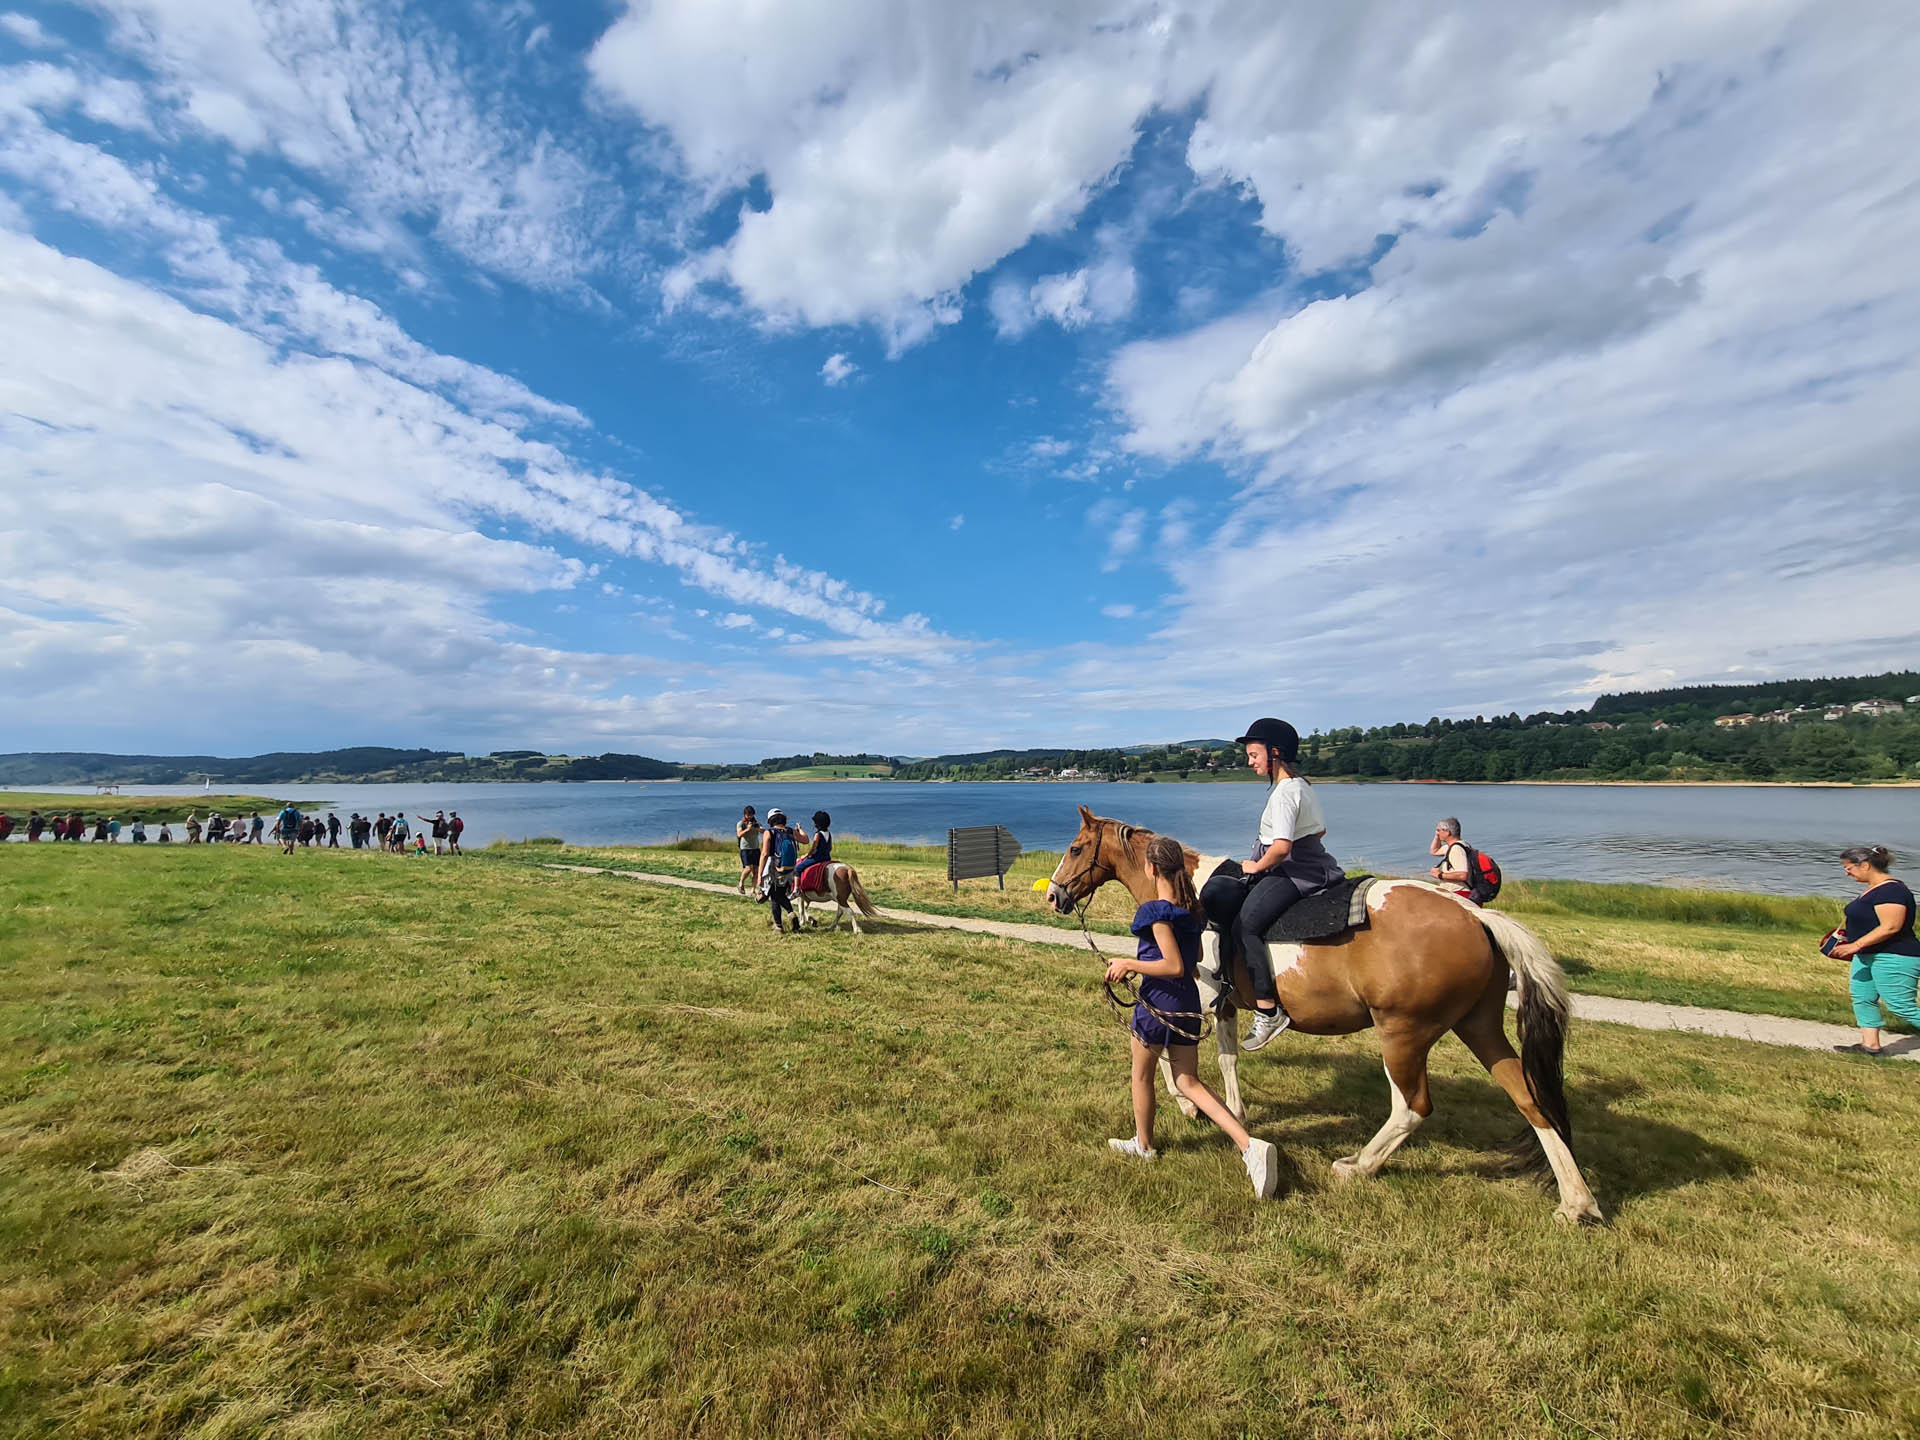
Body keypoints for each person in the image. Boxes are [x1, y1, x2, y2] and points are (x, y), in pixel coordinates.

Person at [1105, 835, 1280, 1198]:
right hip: (1187, 1003)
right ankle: (1249, 1145)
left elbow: (1173, 965)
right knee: (1189, 1081)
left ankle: (1144, 1145)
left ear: (1152, 869)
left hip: (1157, 1003)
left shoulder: (1154, 911)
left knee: (1141, 1076)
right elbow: (1195, 958)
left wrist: (1129, 964)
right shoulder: (1192, 912)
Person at [1199, 717, 1346, 1053]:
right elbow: (1320, 830)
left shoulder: (1284, 794)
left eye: (1254, 755)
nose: (1250, 762)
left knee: (1245, 925)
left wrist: (1256, 865)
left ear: (1275, 752)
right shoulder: (1302, 785)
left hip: (1294, 871)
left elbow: (1281, 848)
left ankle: (1267, 1010)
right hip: (1315, 864)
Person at [1831, 845, 1920, 1056]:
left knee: (1901, 1006)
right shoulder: (1873, 889)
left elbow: (1891, 926)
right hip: (1867, 955)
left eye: (1849, 868)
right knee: (1863, 998)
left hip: (1895, 955)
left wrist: (1856, 944)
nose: (1847, 873)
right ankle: (1870, 1046)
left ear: (1865, 865)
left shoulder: (1892, 890)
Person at [759, 808, 807, 934]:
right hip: (789, 869)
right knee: (780, 895)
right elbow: (806, 840)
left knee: (775, 897)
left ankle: (779, 926)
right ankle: (793, 920)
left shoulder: (769, 832)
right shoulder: (790, 831)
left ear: (770, 821)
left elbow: (764, 854)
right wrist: (800, 829)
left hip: (775, 869)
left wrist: (760, 874)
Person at [1430, 818, 1472, 897]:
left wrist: (1440, 875)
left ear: (1447, 832)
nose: (1437, 833)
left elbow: (1462, 875)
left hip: (1459, 893)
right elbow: (1434, 851)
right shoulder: (1460, 845)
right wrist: (1437, 837)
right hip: (1459, 893)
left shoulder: (1456, 849)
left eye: (1439, 830)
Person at [795, 810, 834, 894]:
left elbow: (813, 848)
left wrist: (806, 856)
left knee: (797, 869)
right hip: (827, 858)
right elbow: (830, 847)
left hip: (817, 858)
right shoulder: (829, 833)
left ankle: (796, 889)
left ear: (817, 824)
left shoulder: (818, 834)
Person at [736, 805, 763, 896]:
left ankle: (753, 890)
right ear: (745, 815)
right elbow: (739, 834)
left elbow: (763, 831)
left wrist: (758, 828)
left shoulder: (756, 823)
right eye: (748, 815)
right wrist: (748, 829)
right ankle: (741, 883)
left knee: (756, 870)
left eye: (751, 815)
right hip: (745, 848)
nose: (750, 817)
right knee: (748, 868)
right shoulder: (741, 824)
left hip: (755, 848)